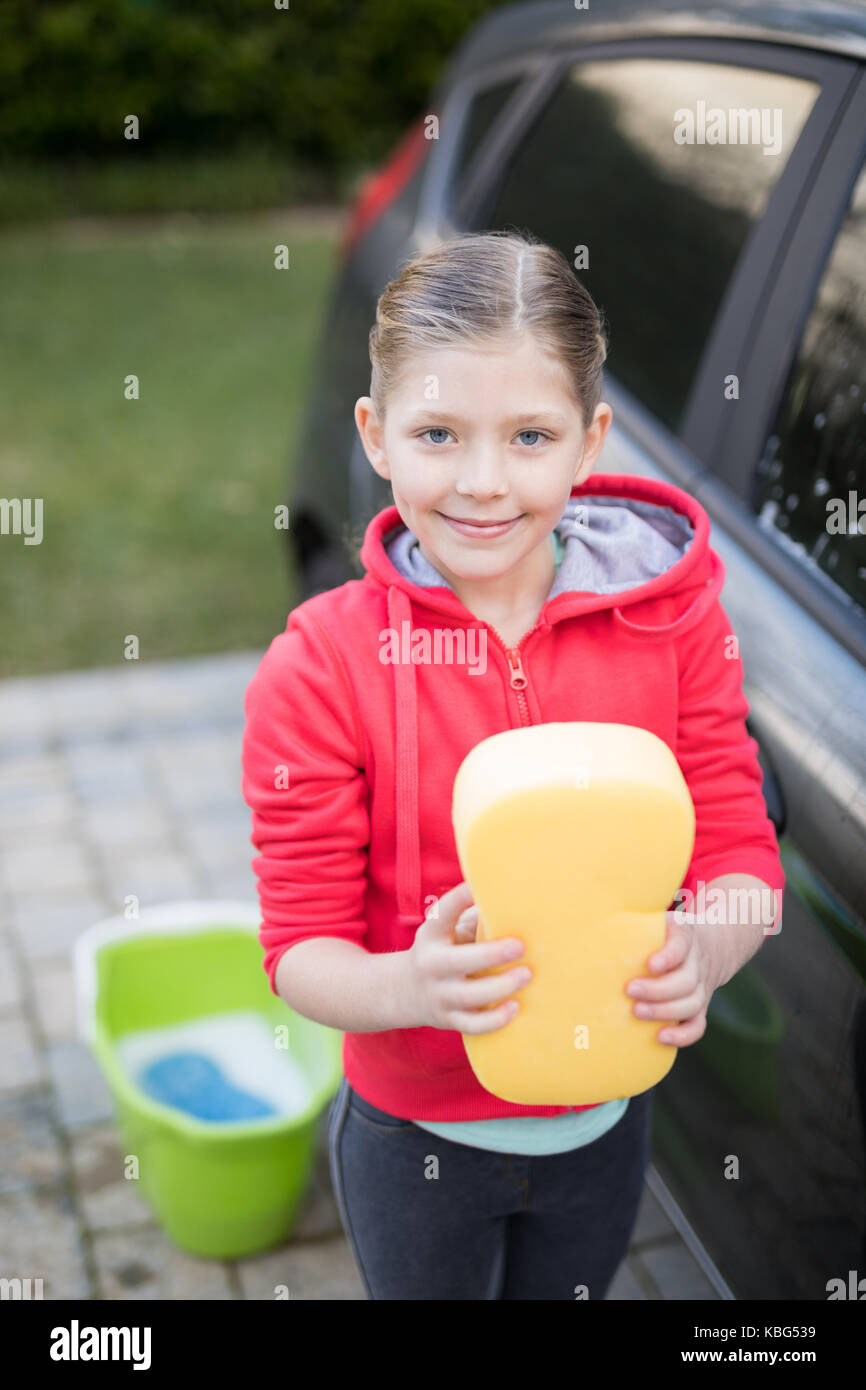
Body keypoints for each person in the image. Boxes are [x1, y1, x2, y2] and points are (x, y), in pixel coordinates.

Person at [241, 230, 785, 1300]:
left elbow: (737, 851)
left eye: (528, 435)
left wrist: (706, 949)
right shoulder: (318, 668)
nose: (483, 483)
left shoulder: (672, 622)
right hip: (414, 1143)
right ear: (376, 435)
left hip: (606, 1120)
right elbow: (300, 949)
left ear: (589, 444)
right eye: (438, 433)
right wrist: (412, 983)